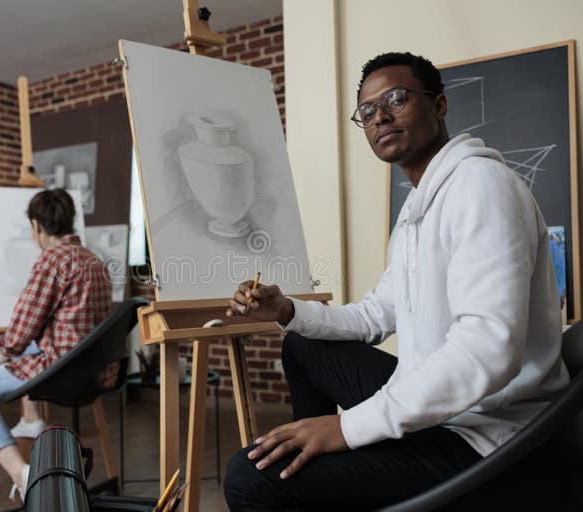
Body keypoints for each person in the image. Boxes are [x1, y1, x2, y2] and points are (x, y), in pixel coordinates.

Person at [223, 52, 569, 511]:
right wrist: (287, 311)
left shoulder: (482, 187)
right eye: (367, 110)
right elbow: (375, 314)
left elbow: (488, 351)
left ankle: (307, 476)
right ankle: (311, 477)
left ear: (439, 105)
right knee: (303, 347)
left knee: (249, 479)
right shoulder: (417, 208)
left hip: (490, 437)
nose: (380, 116)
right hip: (448, 415)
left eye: (396, 99)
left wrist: (346, 429)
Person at [0, 188, 112, 503]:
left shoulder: (53, 260)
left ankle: (22, 474)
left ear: (37, 226)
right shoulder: (94, 260)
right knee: (28, 350)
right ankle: (31, 421)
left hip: (61, 371)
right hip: (93, 370)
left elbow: (19, 333)